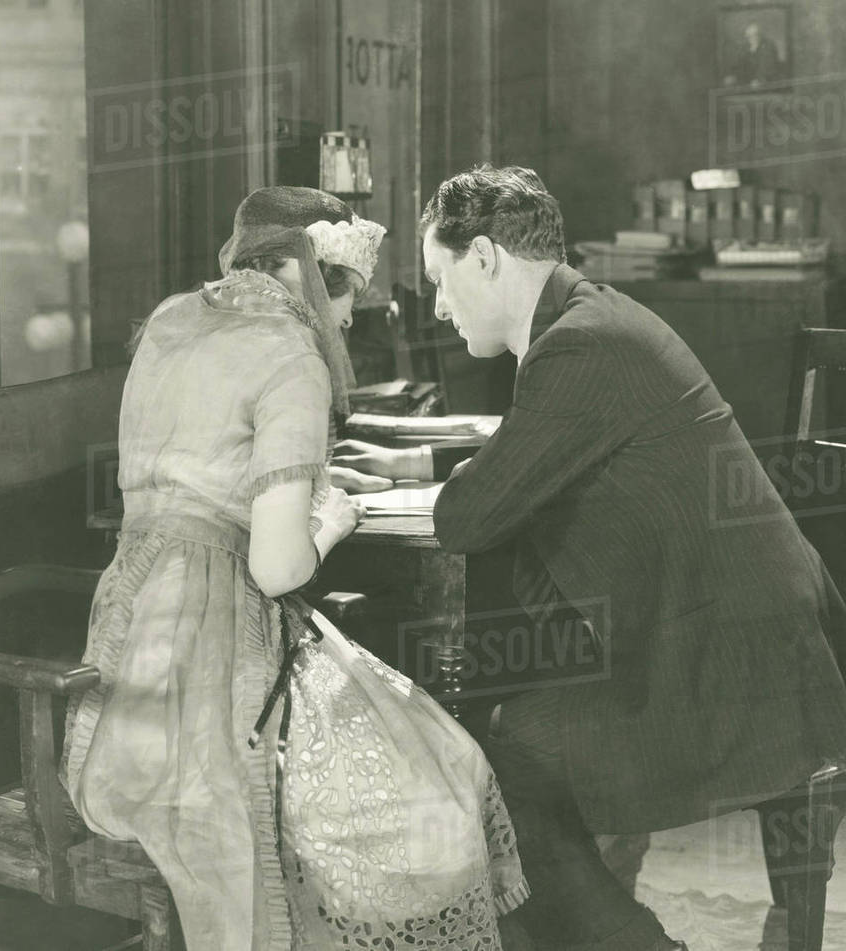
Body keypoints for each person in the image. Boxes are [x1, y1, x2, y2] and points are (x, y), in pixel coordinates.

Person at [337, 165, 846, 951]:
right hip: (751, 631)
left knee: (498, 752)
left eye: (440, 280)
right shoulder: (589, 318)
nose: (441, 306)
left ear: (484, 256)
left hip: (736, 664)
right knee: (519, 727)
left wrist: (400, 483)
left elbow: (467, 515)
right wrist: (400, 467)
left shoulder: (577, 347)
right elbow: (523, 452)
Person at [61, 186, 527, 951]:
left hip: (126, 648)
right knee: (444, 776)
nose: (347, 318)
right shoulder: (291, 351)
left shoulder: (172, 319)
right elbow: (278, 570)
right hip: (215, 667)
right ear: (314, 275)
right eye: (348, 298)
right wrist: (331, 521)